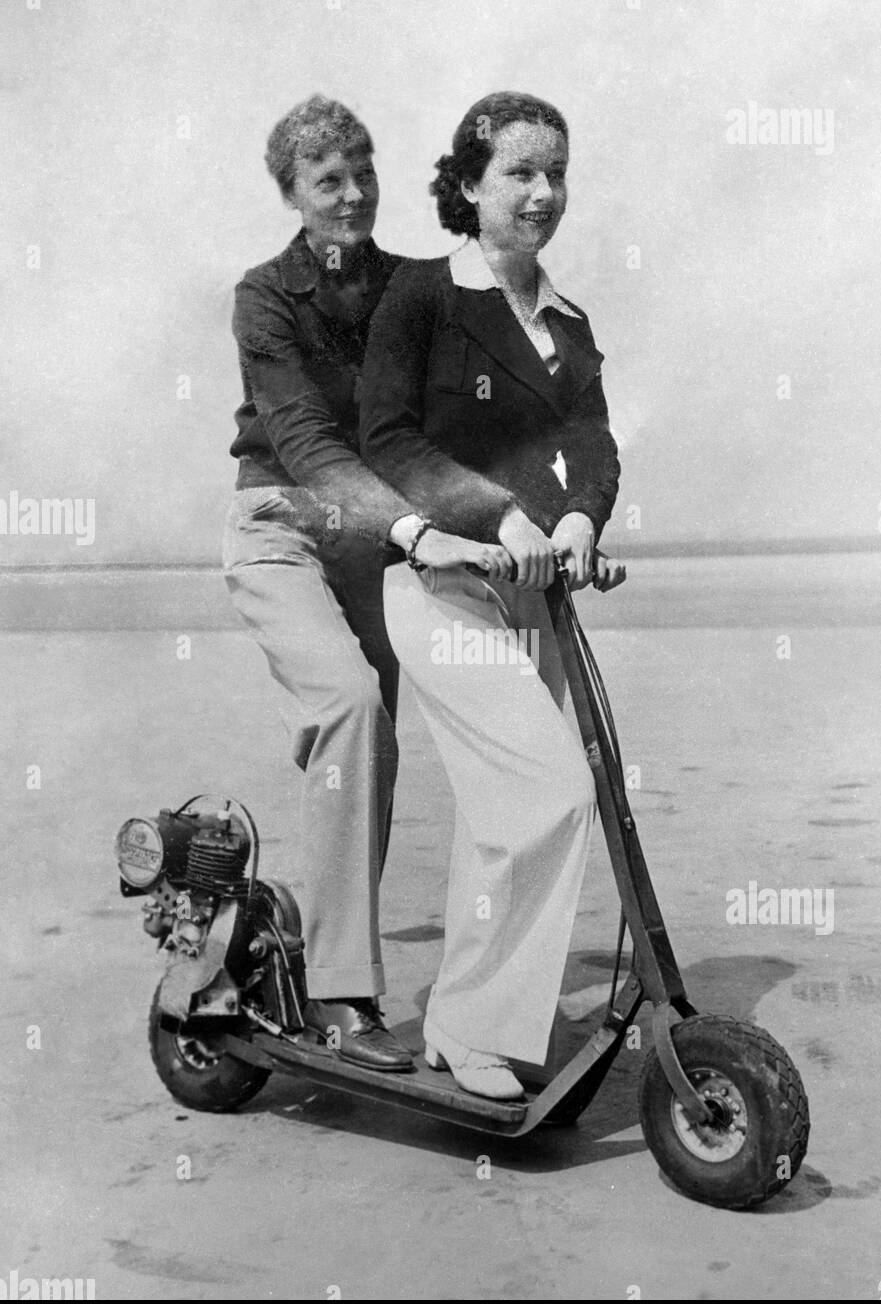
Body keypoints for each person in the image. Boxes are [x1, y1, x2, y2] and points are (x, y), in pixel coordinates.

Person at [224, 94, 507, 1072]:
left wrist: (530, 514)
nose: (352, 196)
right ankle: (342, 994)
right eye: (327, 181)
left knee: (373, 752)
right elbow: (302, 439)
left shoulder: (416, 287)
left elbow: (450, 424)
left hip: (381, 540)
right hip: (282, 523)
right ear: (293, 196)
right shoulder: (264, 296)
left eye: (362, 172)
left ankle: (325, 954)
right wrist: (413, 525)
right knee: (349, 709)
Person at [360, 92, 626, 1100]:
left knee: (496, 821)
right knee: (550, 795)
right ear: (467, 184)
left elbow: (590, 445)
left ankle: (454, 1028)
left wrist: (576, 524)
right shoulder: (422, 298)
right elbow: (386, 439)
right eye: (519, 172)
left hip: (533, 600)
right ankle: (478, 1029)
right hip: (437, 588)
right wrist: (499, 519)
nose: (543, 192)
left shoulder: (566, 320)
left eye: (555, 171)